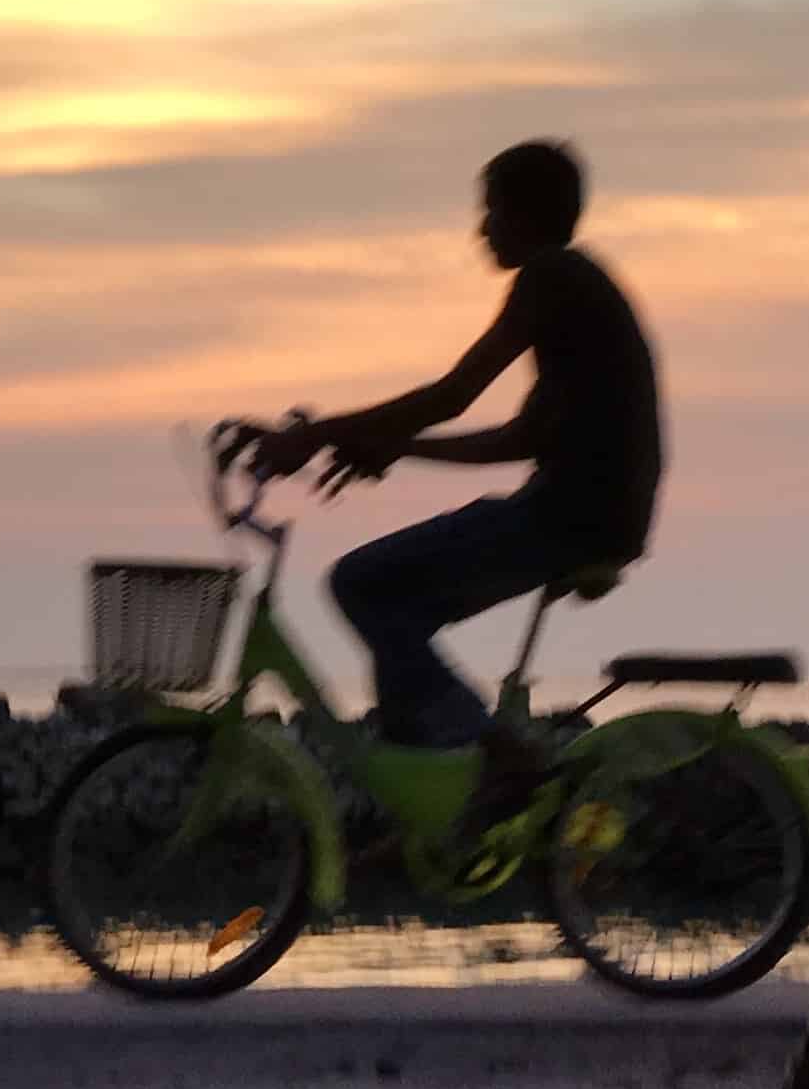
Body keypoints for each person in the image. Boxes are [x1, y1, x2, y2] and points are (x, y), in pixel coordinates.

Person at [251, 140, 667, 778]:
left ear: (525, 214)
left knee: (359, 583)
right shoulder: (575, 291)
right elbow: (515, 440)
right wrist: (389, 445)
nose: (481, 229)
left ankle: (498, 757)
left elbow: (453, 394)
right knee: (399, 616)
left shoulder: (551, 277)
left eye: (491, 211)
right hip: (592, 513)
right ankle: (429, 801)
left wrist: (316, 436)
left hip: (570, 516)